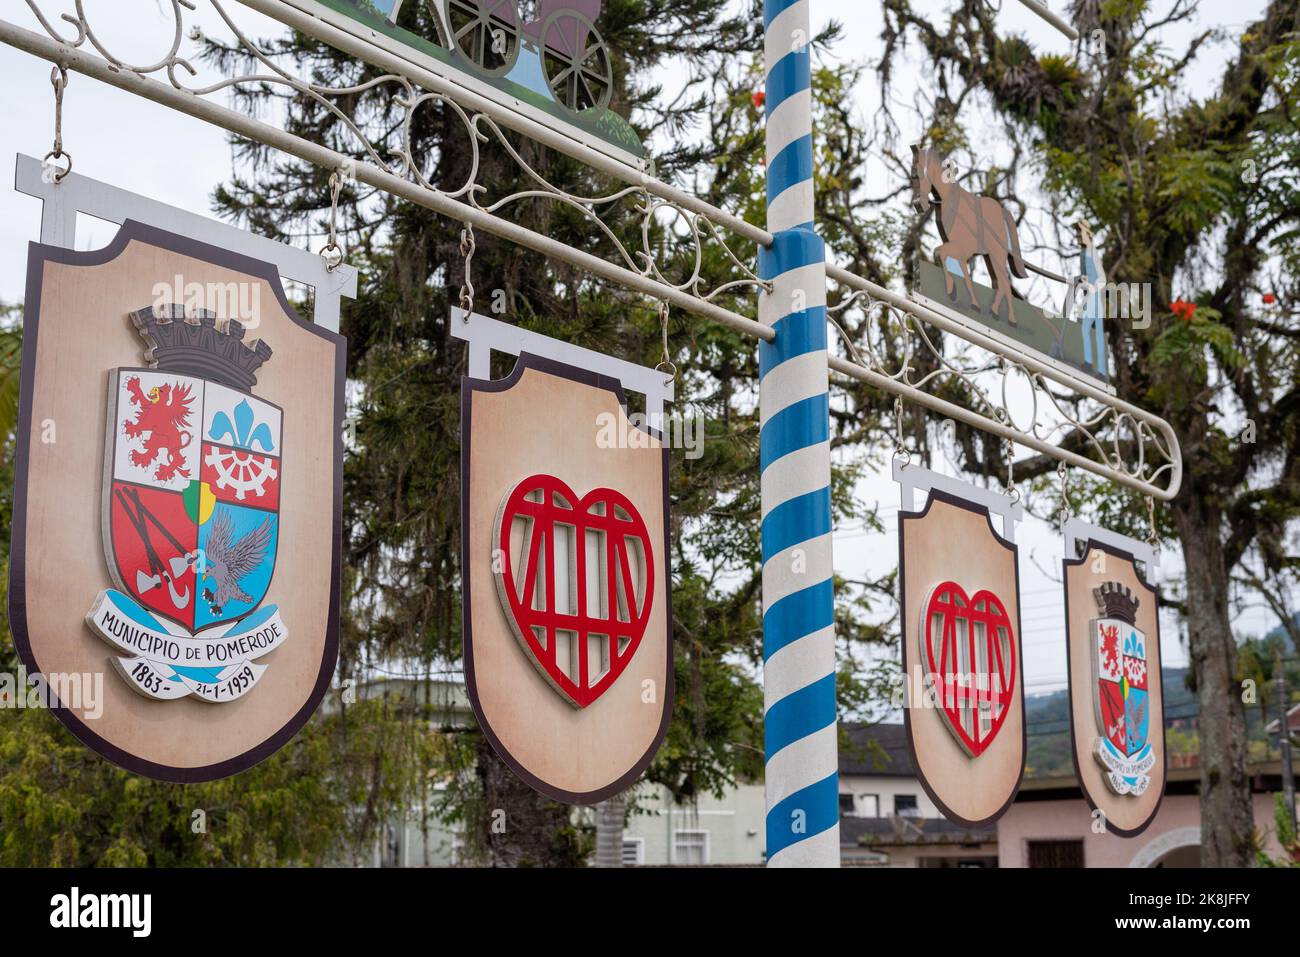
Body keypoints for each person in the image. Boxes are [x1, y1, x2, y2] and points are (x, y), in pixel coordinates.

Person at [1076, 220, 1107, 377]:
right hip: (1089, 295)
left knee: (1096, 332)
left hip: (1095, 295)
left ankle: (1101, 370)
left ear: (1088, 235)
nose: (1078, 236)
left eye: (1081, 232)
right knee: (1084, 328)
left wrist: (1095, 286)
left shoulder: (1092, 252)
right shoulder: (1083, 253)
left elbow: (1102, 277)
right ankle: (1088, 362)